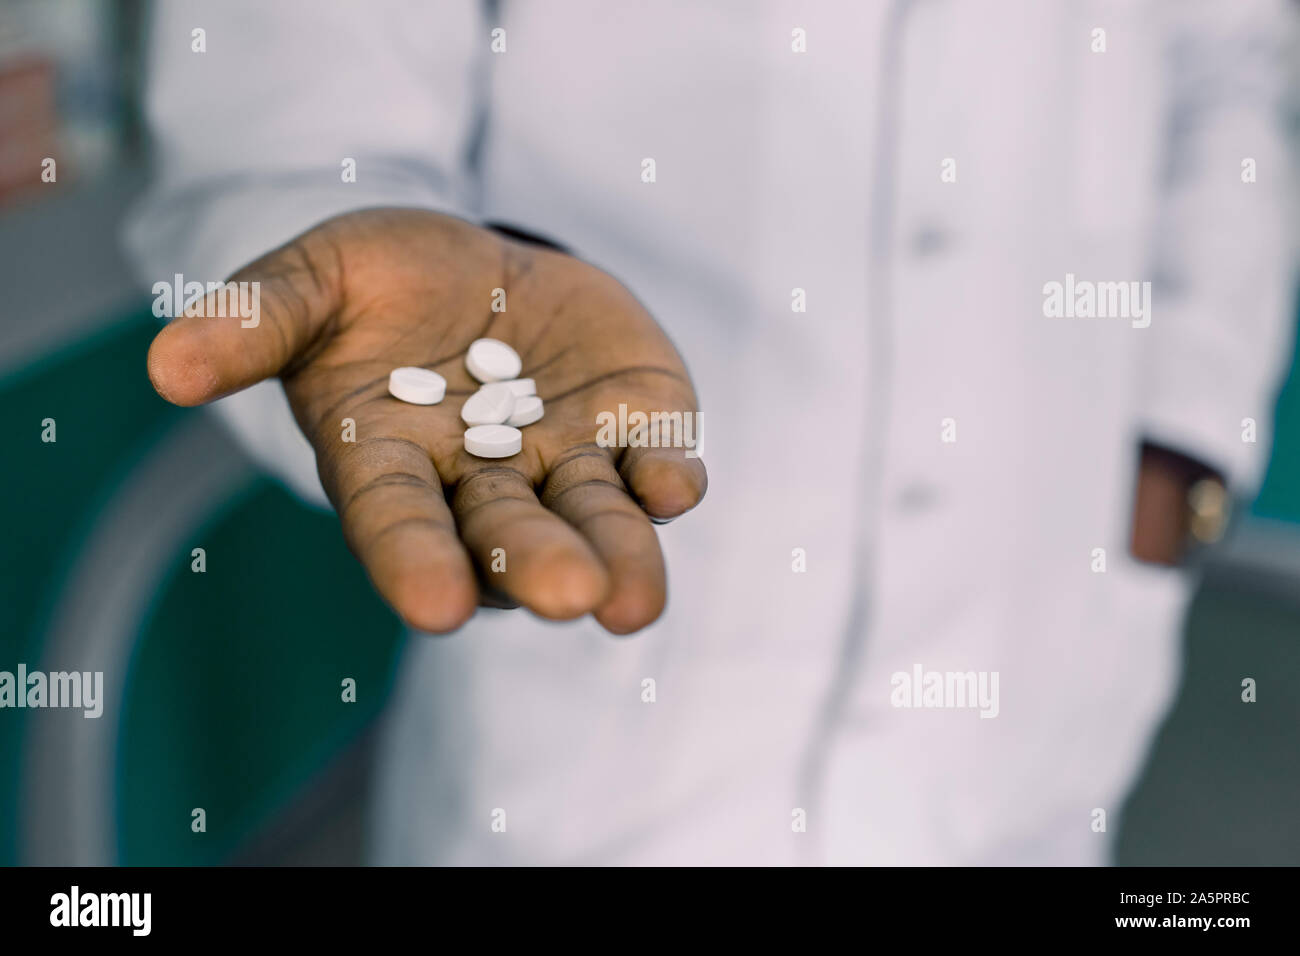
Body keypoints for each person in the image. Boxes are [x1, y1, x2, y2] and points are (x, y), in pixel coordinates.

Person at [126, 0, 1297, 865]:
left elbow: (1234, 65)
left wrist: (1178, 444)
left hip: (1026, 691)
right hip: (600, 739)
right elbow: (286, 137)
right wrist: (354, 268)